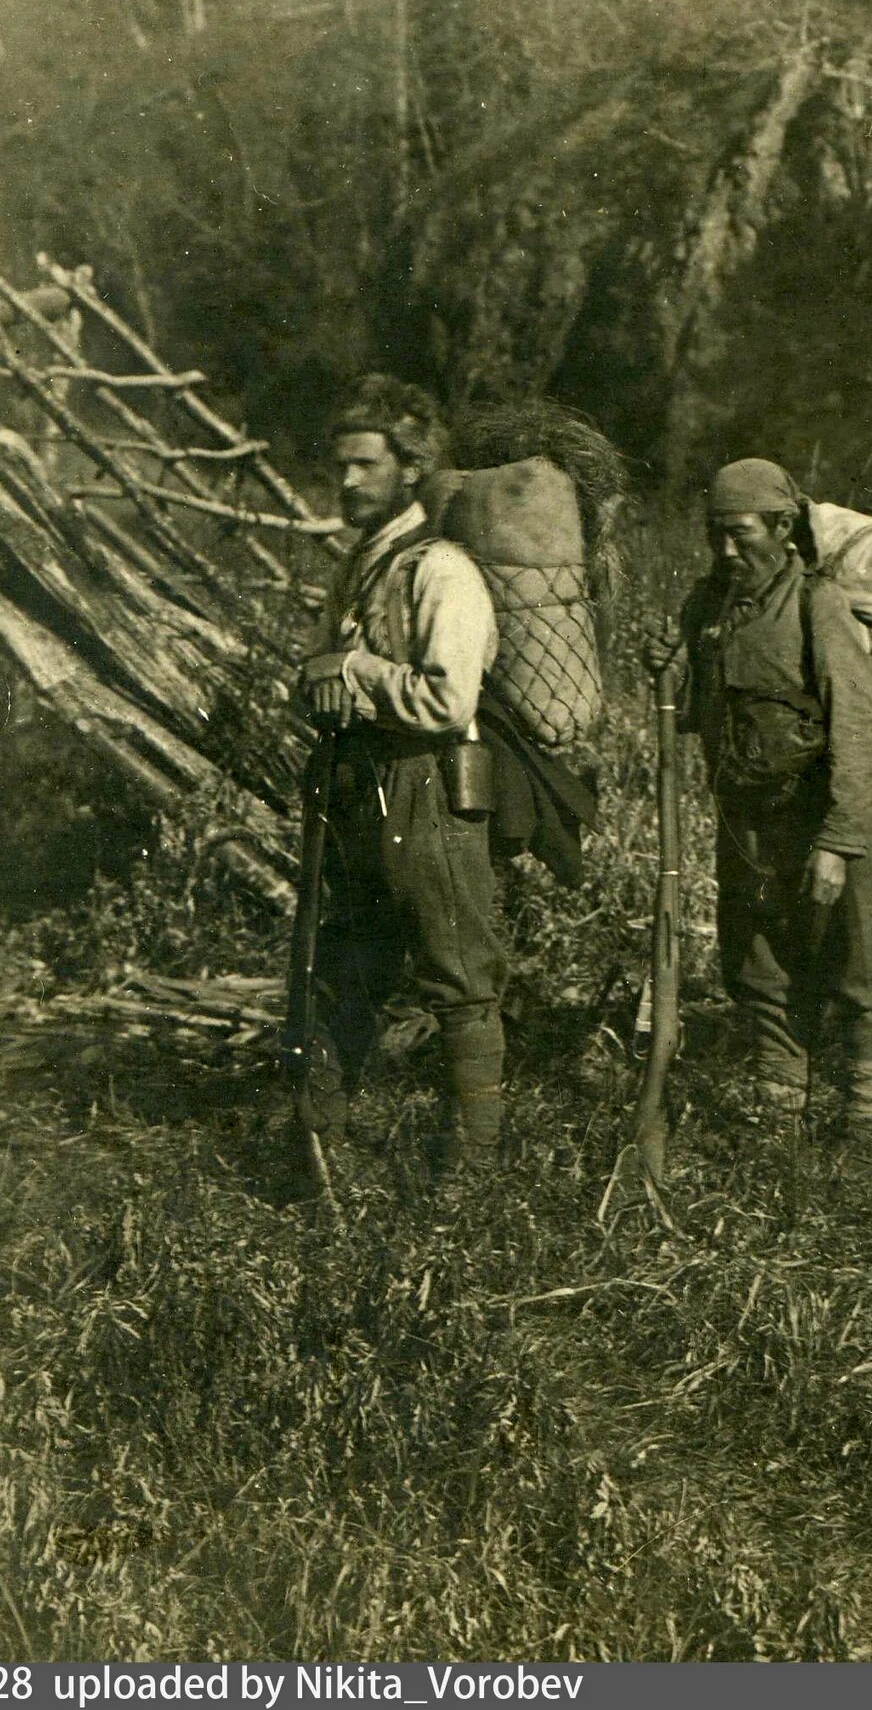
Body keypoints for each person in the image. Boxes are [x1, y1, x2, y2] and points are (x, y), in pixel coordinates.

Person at [292, 375, 510, 1177]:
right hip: (360, 786)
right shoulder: (358, 567)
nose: (346, 482)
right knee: (349, 964)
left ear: (410, 468)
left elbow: (450, 699)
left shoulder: (441, 570)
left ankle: (474, 1163)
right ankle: (327, 1145)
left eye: (364, 466)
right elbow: (324, 667)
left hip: (429, 784)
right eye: (339, 466)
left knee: (458, 970)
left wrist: (356, 670)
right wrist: (328, 675)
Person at [675, 458, 872, 1145]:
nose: (726, 550)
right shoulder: (706, 605)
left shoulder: (817, 604)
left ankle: (867, 1128)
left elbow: (861, 730)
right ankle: (779, 1124)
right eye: (716, 534)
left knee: (857, 968)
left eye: (741, 534)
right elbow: (696, 710)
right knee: (761, 965)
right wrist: (669, 668)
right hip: (749, 821)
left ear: (781, 526)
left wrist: (838, 842)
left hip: (825, 816)